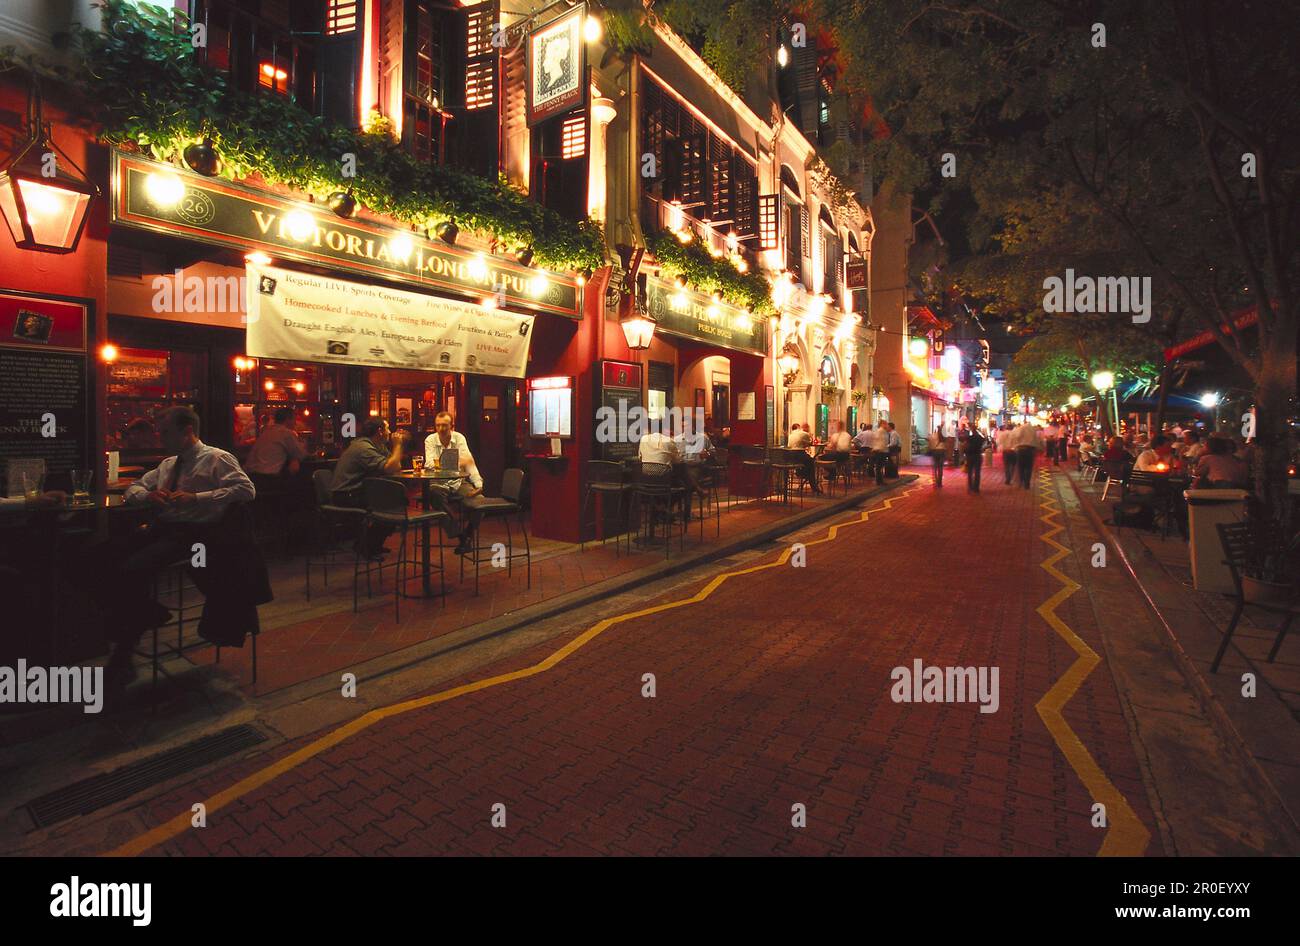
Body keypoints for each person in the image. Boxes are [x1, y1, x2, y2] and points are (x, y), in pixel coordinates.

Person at [89, 407, 263, 687]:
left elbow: (246, 490)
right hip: (162, 528)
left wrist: (197, 498)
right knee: (98, 556)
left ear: (187, 432)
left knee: (133, 570)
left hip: (195, 536)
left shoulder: (217, 458)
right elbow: (133, 488)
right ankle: (144, 611)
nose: (161, 437)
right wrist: (148, 494)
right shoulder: (169, 464)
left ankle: (125, 649)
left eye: (166, 432)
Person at [331, 417, 411, 557]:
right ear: (380, 431)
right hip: (346, 495)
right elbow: (390, 467)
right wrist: (398, 445)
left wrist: (397, 448)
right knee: (394, 504)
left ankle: (369, 544)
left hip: (356, 492)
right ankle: (367, 546)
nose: (390, 432)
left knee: (397, 501)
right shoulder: (363, 447)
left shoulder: (377, 445)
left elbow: (395, 466)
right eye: (387, 428)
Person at [423, 411, 485, 554]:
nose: (440, 429)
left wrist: (478, 484)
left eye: (444, 425)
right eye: (438, 425)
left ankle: (468, 534)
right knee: (434, 494)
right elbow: (429, 464)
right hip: (438, 481)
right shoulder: (430, 439)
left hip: (458, 481)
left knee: (481, 502)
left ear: (452, 426)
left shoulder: (459, 438)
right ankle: (459, 535)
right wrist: (456, 462)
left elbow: (469, 462)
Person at [245, 406, 307, 481]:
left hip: (250, 477)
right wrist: (302, 447)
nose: (295, 423)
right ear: (287, 420)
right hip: (268, 479)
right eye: (294, 419)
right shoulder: (286, 433)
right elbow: (301, 454)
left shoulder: (266, 431)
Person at [1013, 422, 1041, 489]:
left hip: (1021, 449)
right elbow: (1037, 440)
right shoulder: (1033, 430)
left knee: (1020, 467)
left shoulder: (1021, 429)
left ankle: (1021, 482)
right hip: (1030, 450)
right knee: (1029, 467)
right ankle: (1027, 484)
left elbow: (1017, 437)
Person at [964, 424, 987, 493]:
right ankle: (976, 488)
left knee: (970, 472)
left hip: (970, 456)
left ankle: (970, 487)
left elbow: (965, 446)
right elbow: (984, 439)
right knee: (977, 472)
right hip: (977, 455)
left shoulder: (969, 438)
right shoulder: (980, 438)